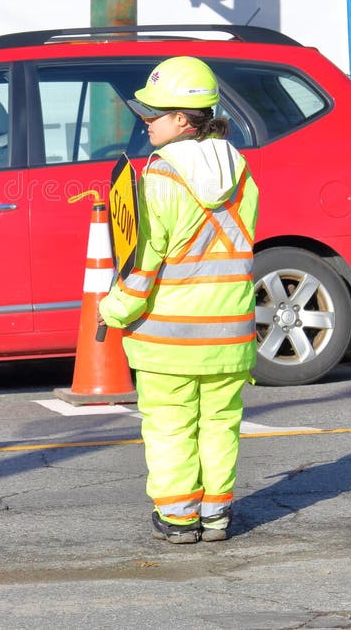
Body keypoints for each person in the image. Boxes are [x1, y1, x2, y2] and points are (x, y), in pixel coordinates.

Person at [98, 56, 259, 545]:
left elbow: (143, 264)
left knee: (170, 428)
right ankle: (216, 517)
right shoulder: (242, 172)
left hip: (168, 338)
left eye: (153, 115)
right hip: (230, 335)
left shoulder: (160, 178)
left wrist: (113, 311)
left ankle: (179, 519)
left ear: (183, 120)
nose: (144, 123)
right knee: (220, 427)